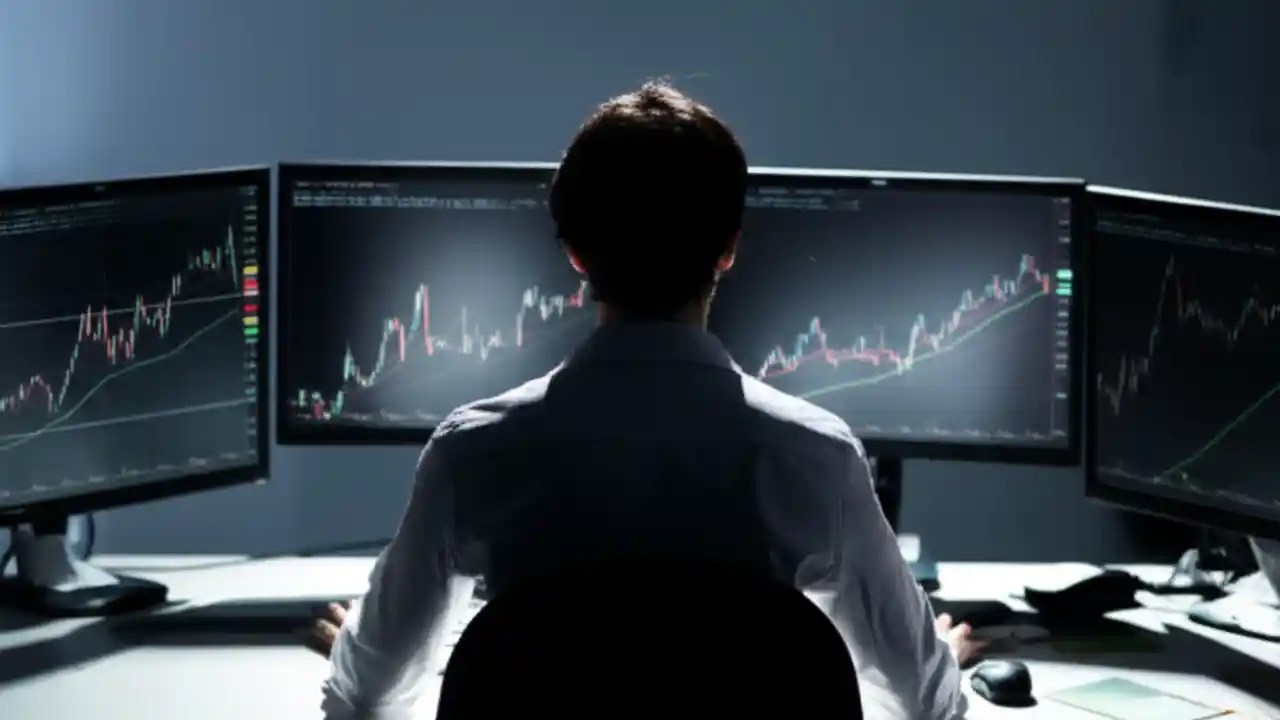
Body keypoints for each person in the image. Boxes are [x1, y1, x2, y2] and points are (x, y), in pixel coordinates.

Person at [312, 81, 984, 719]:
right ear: (728, 250)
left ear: (574, 253)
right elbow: (928, 706)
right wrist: (939, 667)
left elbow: (365, 701)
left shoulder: (473, 451)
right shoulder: (817, 457)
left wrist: (358, 653)